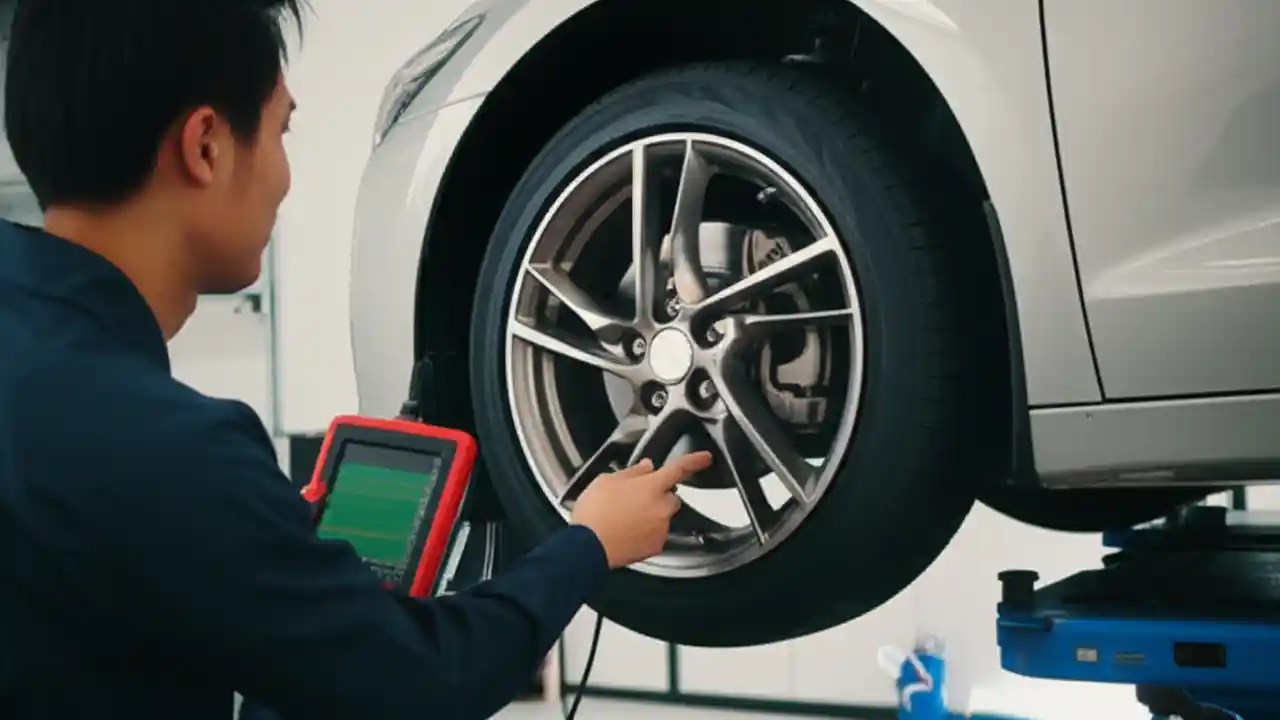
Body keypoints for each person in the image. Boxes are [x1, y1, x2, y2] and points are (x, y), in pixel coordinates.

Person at [0, 1, 713, 718]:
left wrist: (260, 568)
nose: (283, 177)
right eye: (281, 130)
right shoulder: (167, 452)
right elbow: (422, 682)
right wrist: (587, 546)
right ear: (207, 147)